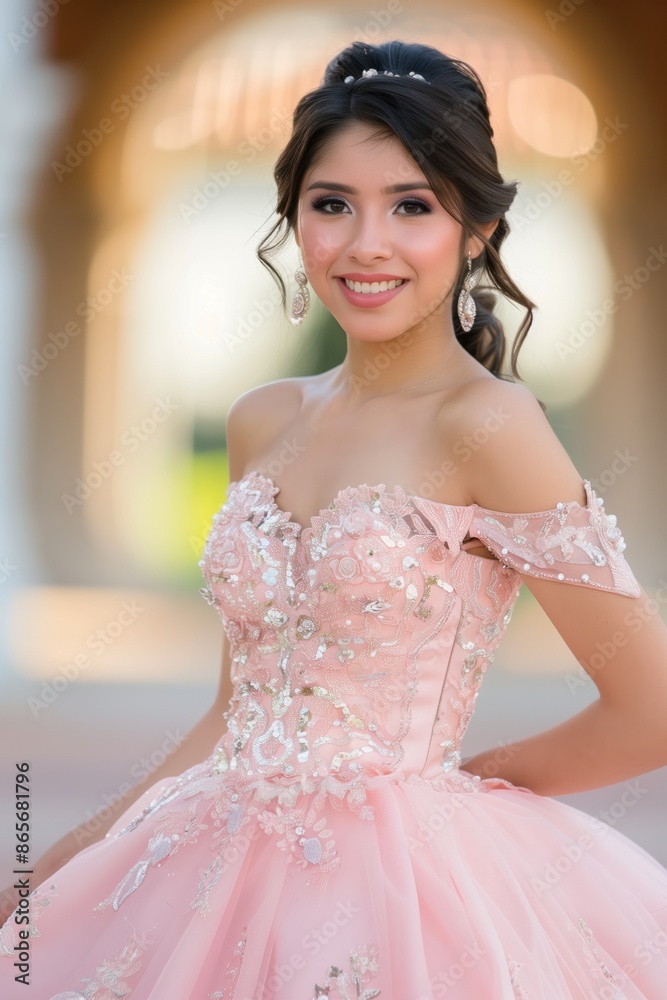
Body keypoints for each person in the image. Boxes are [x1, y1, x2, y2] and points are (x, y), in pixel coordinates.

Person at [2, 37, 667, 999]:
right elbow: (237, 710)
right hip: (210, 858)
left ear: (474, 229)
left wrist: (461, 786)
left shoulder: (489, 426)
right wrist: (74, 850)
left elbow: (647, 710)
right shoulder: (262, 418)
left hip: (405, 890)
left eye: (411, 206)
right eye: (331, 205)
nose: (365, 244)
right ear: (295, 219)